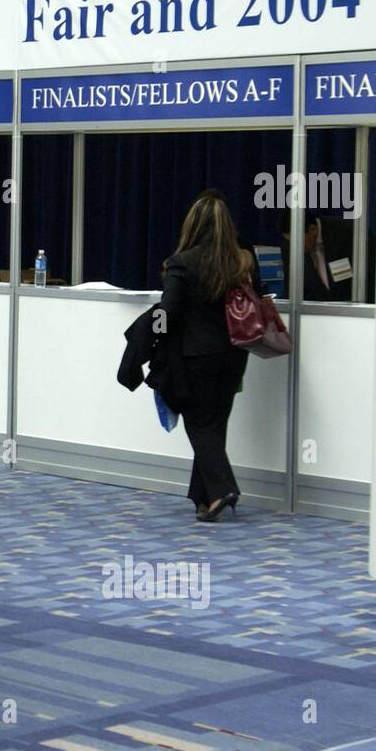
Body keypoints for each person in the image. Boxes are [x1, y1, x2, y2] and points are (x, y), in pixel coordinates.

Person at [160, 189, 265, 522]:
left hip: (197, 356)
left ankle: (222, 489)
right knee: (215, 424)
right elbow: (258, 298)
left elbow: (169, 311)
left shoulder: (182, 263)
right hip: (235, 355)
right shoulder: (243, 260)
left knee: (199, 426)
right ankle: (202, 497)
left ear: (193, 225)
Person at [278, 209, 356, 301]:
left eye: (296, 241)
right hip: (316, 311)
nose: (293, 247)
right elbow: (291, 291)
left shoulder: (349, 232)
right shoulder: (290, 245)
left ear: (312, 229)